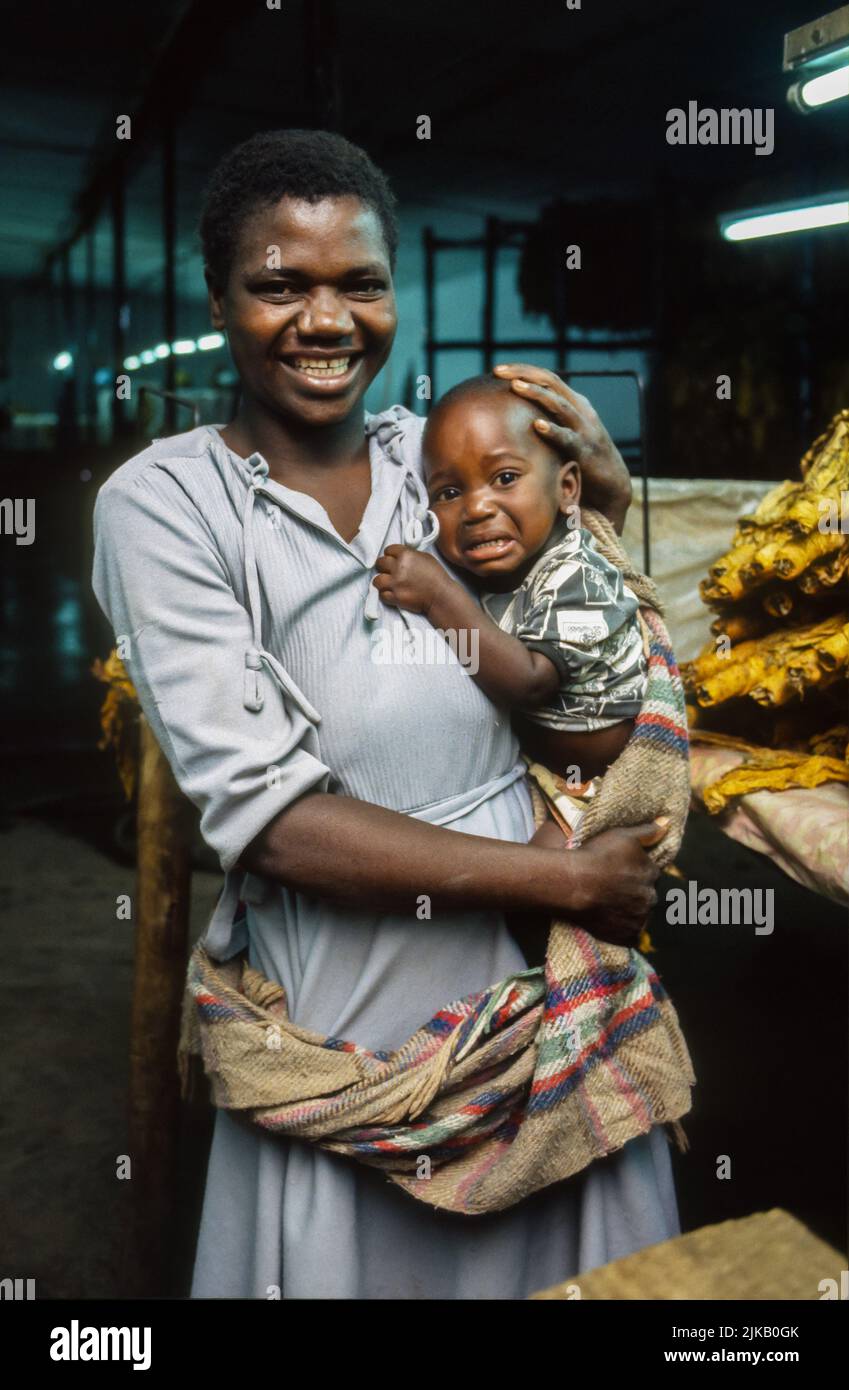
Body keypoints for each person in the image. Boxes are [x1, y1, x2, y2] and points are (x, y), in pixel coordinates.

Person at [92, 128, 678, 1300]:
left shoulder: (448, 458)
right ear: (218, 297)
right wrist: (566, 881)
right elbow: (277, 826)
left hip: (543, 1027)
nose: (326, 319)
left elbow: (592, 651)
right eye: (280, 285)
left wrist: (602, 505)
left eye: (359, 283)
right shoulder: (167, 503)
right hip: (351, 1043)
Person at [372, 373, 650, 790]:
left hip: (604, 782)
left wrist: (438, 597)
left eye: (504, 478)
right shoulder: (497, 573)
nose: (477, 509)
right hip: (544, 778)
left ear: (567, 488)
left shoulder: (577, 573)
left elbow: (530, 682)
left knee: (554, 858)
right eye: (448, 493)